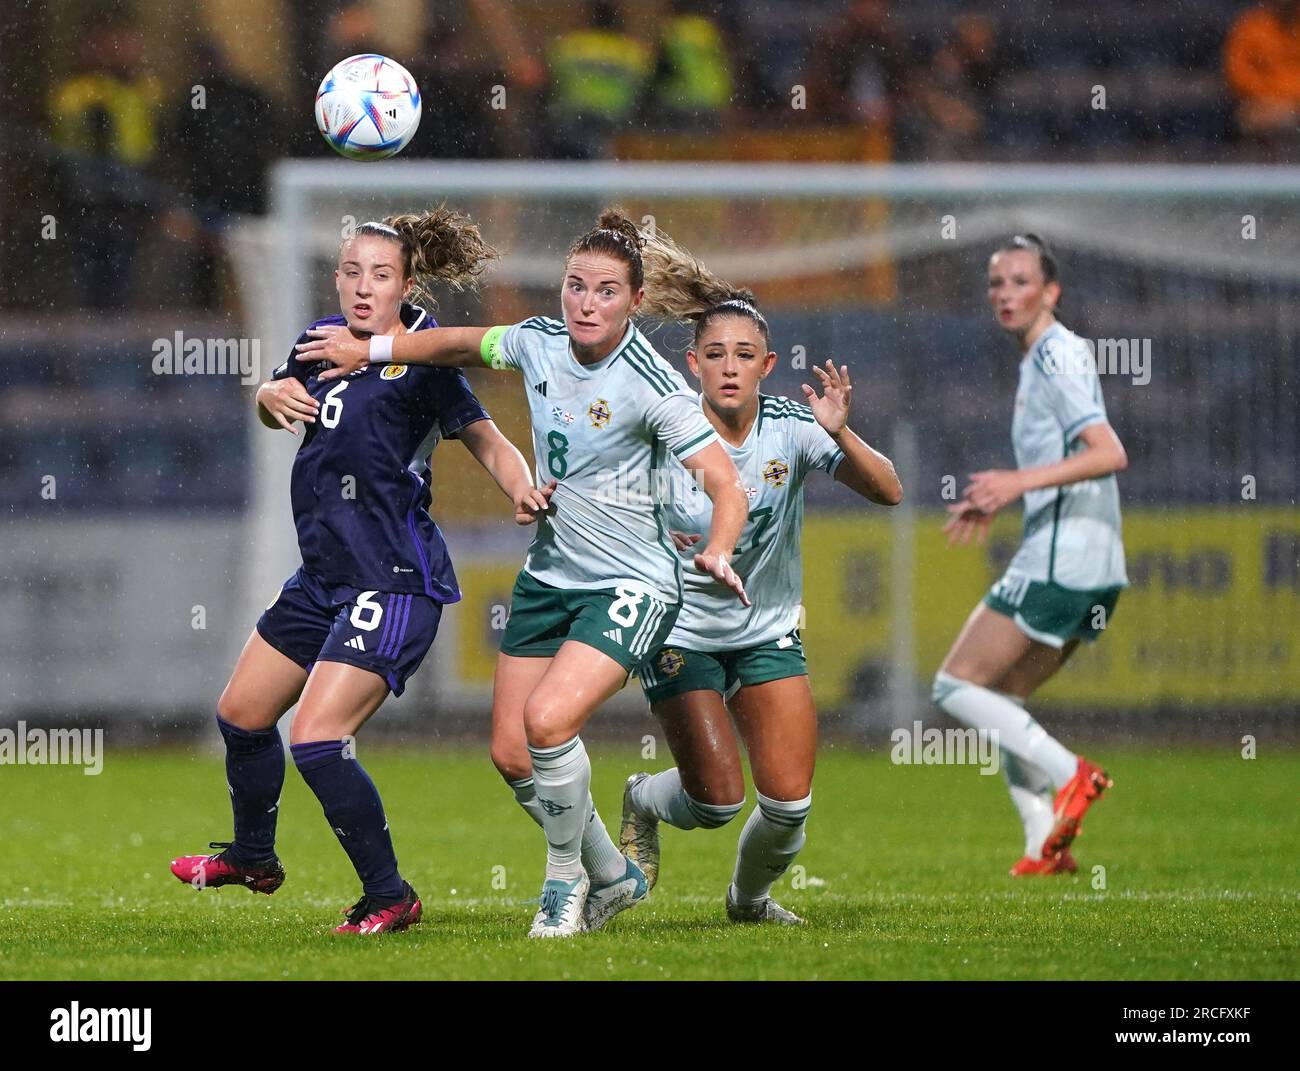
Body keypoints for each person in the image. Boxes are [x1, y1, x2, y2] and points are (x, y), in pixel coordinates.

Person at [294, 209, 751, 938]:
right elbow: (454, 343)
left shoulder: (651, 385)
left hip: (632, 583)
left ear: (635, 302)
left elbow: (726, 483)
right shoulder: (538, 342)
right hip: (549, 576)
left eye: (605, 291)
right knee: (511, 752)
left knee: (547, 722)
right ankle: (614, 872)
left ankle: (563, 882)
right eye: (575, 286)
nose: (585, 303)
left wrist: (720, 546)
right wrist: (374, 348)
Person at [169, 209, 549, 934]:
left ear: (407, 282)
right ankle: (254, 856)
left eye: (381, 274)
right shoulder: (319, 343)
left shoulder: (421, 354)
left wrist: (521, 487)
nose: (362, 286)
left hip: (393, 579)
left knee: (315, 738)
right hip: (323, 579)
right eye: (351, 271)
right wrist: (264, 396)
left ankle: (389, 894)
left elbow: (487, 437)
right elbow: (279, 402)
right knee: (243, 716)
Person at [618, 276, 902, 924]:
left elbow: (889, 490)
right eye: (714, 353)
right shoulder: (664, 428)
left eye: (744, 354)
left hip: (767, 630)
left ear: (766, 365)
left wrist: (843, 432)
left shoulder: (793, 428)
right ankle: (642, 796)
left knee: (788, 808)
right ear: (692, 362)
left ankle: (748, 902)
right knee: (717, 801)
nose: (729, 366)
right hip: (678, 632)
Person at [933, 234, 1127, 876]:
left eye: (1020, 281)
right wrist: (1005, 498)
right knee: (1003, 696)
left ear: (1052, 292)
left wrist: (1014, 483)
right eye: (996, 283)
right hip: (1096, 563)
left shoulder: (1055, 356)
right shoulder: (1047, 356)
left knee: (955, 683)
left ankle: (1072, 775)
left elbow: (1107, 452)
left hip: (1061, 558)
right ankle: (1041, 841)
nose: (1005, 294)